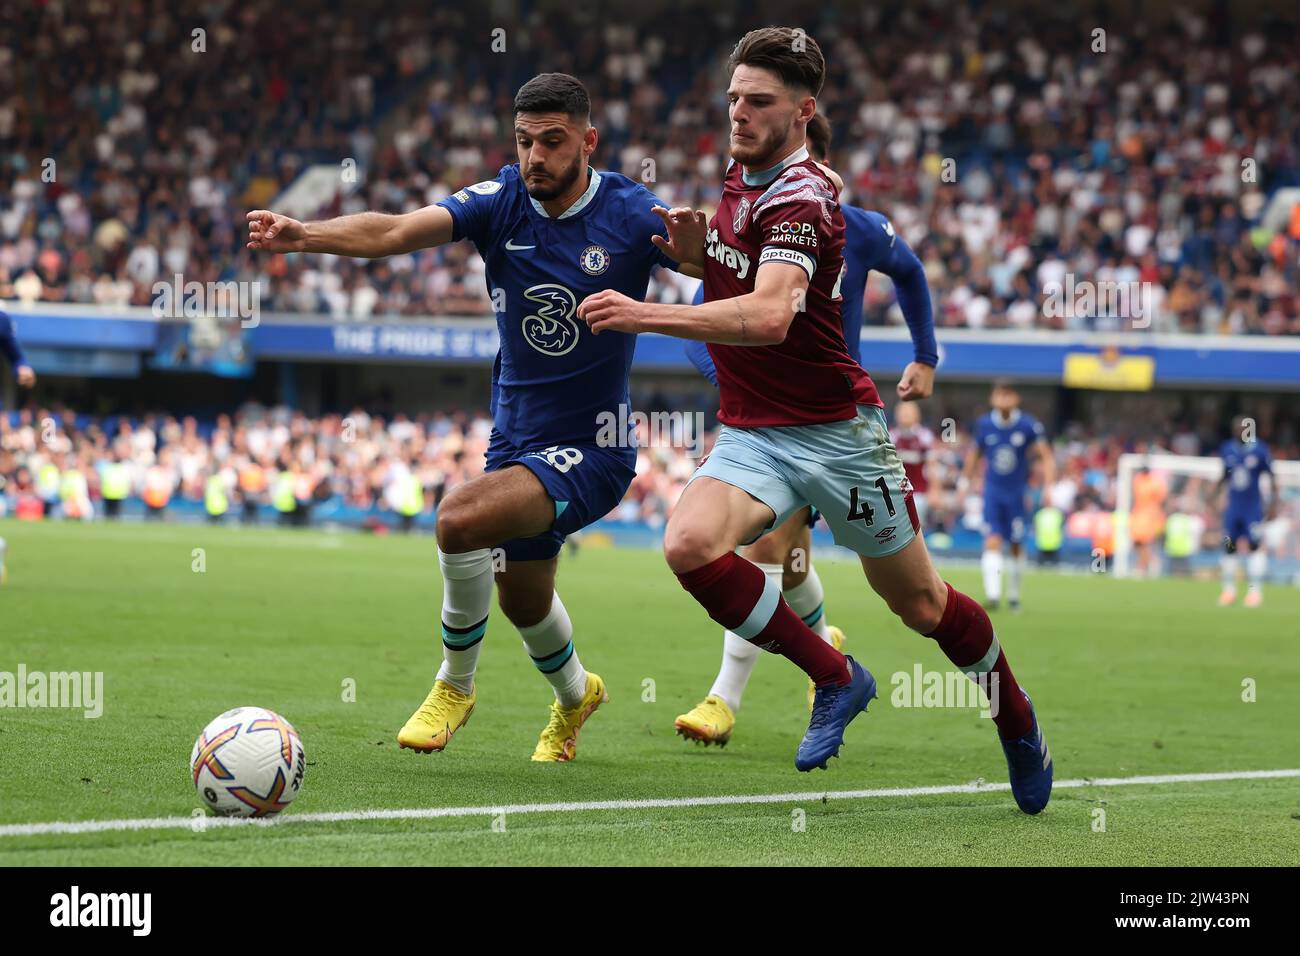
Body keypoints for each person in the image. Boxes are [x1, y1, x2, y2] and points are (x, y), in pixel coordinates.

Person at [578, 27, 1051, 813]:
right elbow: (746, 279)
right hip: (757, 431)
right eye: (733, 97)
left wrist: (642, 312)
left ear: (803, 112)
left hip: (838, 437)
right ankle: (837, 676)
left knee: (922, 605)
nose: (738, 113)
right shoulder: (741, 177)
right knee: (690, 544)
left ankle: (1018, 721)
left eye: (758, 102)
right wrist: (701, 260)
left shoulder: (805, 195)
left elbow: (767, 317)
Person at [248, 73, 687, 762]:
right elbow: (395, 230)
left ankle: (455, 685)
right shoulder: (501, 201)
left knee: (458, 519)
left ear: (588, 142)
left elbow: (708, 269)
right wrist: (306, 235)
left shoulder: (632, 213)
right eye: (523, 142)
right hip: (515, 444)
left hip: (595, 449)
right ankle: (578, 697)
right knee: (524, 601)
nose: (534, 156)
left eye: (552, 141)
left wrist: (699, 253)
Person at [674, 112, 939, 746]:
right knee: (784, 561)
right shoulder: (746, 231)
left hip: (832, 422)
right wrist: (735, 378)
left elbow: (912, 273)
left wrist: (925, 355)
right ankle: (823, 645)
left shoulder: (859, 228)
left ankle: (724, 698)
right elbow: (700, 322)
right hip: (760, 422)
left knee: (769, 553)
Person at [960, 380, 1056, 610]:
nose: (1004, 399)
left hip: (1017, 494)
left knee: (1015, 544)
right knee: (992, 540)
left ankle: (1013, 596)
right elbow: (974, 454)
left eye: (1008, 395)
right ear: (993, 398)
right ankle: (993, 596)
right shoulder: (984, 424)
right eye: (999, 395)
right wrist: (965, 481)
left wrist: (1049, 486)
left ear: (1016, 398)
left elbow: (1046, 456)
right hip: (992, 492)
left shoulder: (1027, 425)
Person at [1217, 417, 1276, 607]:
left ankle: (1255, 592)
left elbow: (1271, 476)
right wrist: (1213, 494)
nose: (1240, 431)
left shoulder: (1259, 450)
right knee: (1229, 546)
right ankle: (1229, 590)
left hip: (1252, 508)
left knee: (1254, 546)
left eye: (1244, 428)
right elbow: (1224, 475)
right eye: (1237, 428)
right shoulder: (1227, 449)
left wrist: (1274, 504)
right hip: (1233, 508)